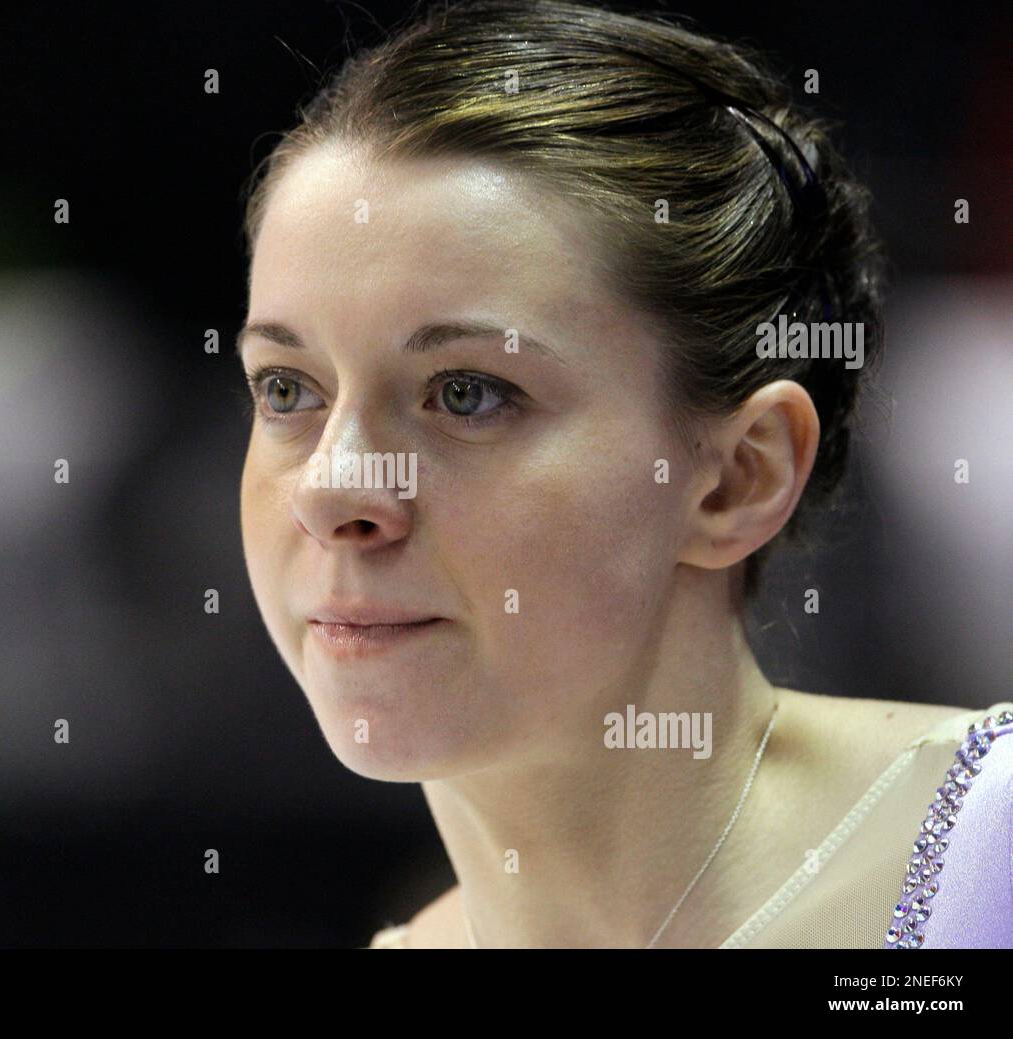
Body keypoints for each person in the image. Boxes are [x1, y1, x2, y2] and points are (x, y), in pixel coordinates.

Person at [234, 0, 1013, 948]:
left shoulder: (990, 854)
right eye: (287, 388)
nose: (331, 488)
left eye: (469, 393)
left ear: (737, 478)